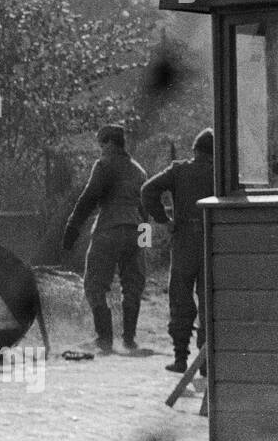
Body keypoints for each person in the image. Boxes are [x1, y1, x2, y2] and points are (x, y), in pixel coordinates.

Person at [62, 124, 149, 353]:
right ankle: (129, 340)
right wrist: (144, 243)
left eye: (101, 143)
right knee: (132, 287)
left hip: (108, 230)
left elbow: (88, 198)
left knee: (94, 285)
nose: (100, 149)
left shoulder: (104, 165)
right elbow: (144, 210)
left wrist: (72, 227)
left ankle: (104, 339)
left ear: (109, 143)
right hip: (135, 230)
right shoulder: (139, 170)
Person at [141, 128, 215, 372]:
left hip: (184, 239)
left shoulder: (179, 170)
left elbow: (147, 190)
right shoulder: (222, 171)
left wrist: (164, 219)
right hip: (214, 238)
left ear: (194, 149)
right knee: (210, 299)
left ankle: (181, 358)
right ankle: (207, 363)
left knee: (180, 297)